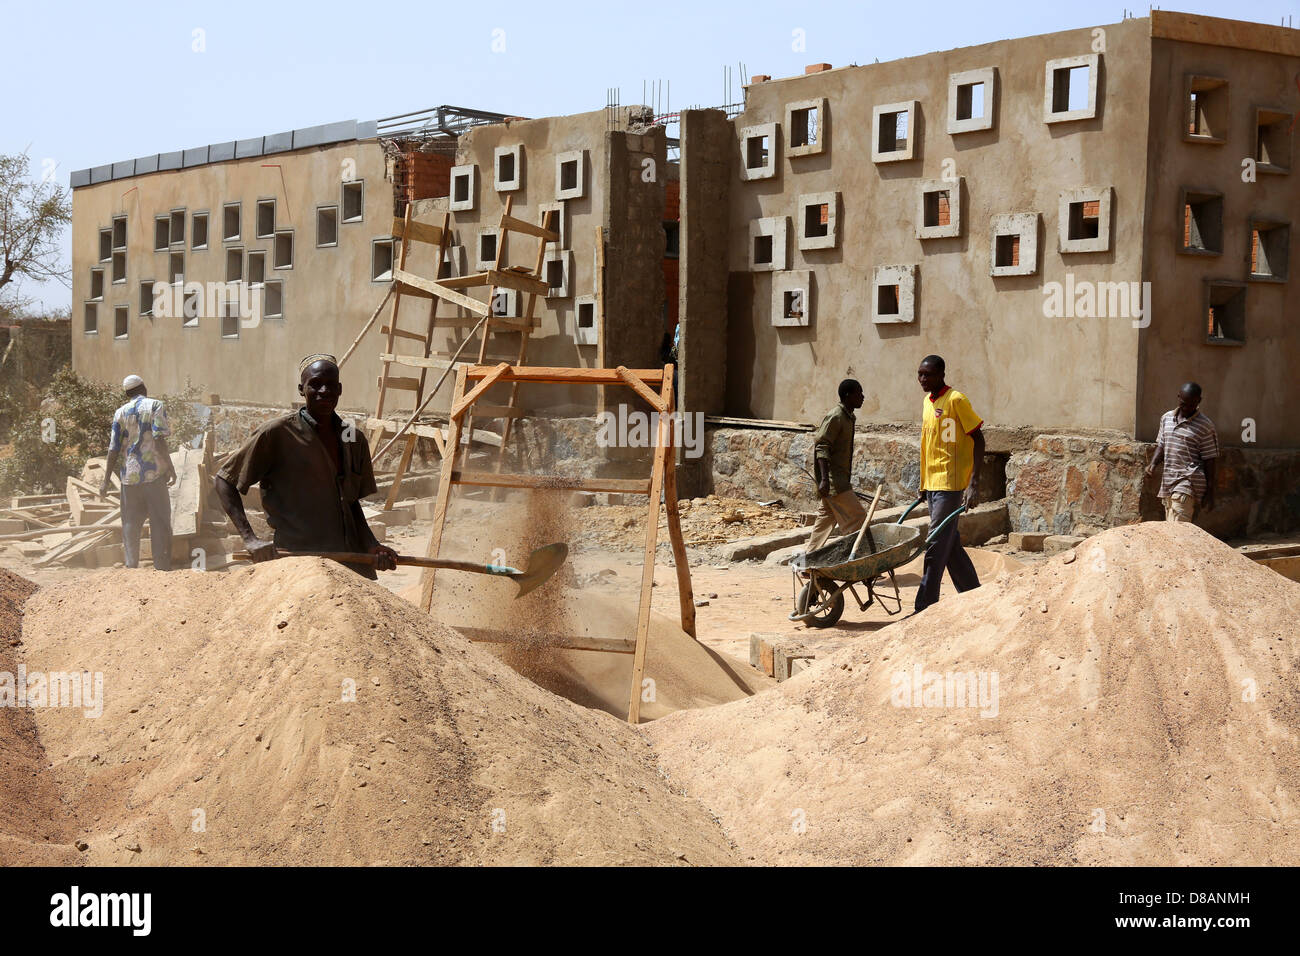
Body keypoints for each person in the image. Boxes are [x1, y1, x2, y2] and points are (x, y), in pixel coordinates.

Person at [214, 354, 398, 579]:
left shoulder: (353, 439)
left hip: (352, 563)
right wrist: (250, 539)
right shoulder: (277, 434)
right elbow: (224, 480)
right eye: (315, 384)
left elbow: (350, 503)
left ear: (340, 389)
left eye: (331, 385)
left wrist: (371, 545)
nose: (324, 391)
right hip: (299, 563)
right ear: (301, 389)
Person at [914, 355, 983, 613]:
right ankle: (974, 594)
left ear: (941, 374)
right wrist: (923, 483)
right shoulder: (927, 402)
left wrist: (973, 483)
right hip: (932, 483)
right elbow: (928, 445)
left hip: (951, 483)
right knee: (949, 543)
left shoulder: (956, 400)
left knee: (935, 543)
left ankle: (924, 606)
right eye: (920, 374)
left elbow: (979, 439)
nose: (922, 379)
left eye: (928, 375)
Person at [101, 374, 176, 570]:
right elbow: (159, 440)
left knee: (130, 523)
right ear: (143, 387)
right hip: (154, 475)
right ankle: (161, 566)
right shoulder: (155, 406)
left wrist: (105, 480)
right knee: (159, 521)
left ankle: (131, 565)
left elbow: (113, 449)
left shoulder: (120, 413)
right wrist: (171, 467)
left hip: (129, 477)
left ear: (127, 393)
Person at [806, 379, 867, 552]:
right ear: (848, 396)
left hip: (838, 479)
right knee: (858, 518)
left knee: (824, 522)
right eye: (859, 393)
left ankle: (807, 563)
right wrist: (824, 480)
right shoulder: (836, 416)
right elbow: (822, 446)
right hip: (835, 482)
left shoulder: (848, 417)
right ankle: (857, 558)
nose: (863, 397)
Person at [1145, 382, 1219, 522]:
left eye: (1191, 404)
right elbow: (1162, 444)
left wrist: (1210, 491)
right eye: (1183, 403)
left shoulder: (1205, 426)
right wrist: (1153, 464)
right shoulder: (1166, 418)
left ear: (1199, 401)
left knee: (1178, 527)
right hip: (1168, 480)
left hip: (1188, 481)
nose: (1186, 408)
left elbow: (1209, 459)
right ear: (1179, 397)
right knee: (1170, 527)